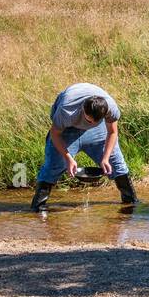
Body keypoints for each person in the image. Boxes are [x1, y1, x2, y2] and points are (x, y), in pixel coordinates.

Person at [30, 82, 136, 211]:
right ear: (83, 110)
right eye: (89, 120)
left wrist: (105, 158)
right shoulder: (67, 109)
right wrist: (68, 158)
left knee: (116, 164)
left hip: (98, 132)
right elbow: (55, 133)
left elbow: (112, 132)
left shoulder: (110, 108)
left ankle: (131, 205)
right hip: (67, 131)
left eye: (97, 121)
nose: (91, 123)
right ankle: (37, 208)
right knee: (53, 166)